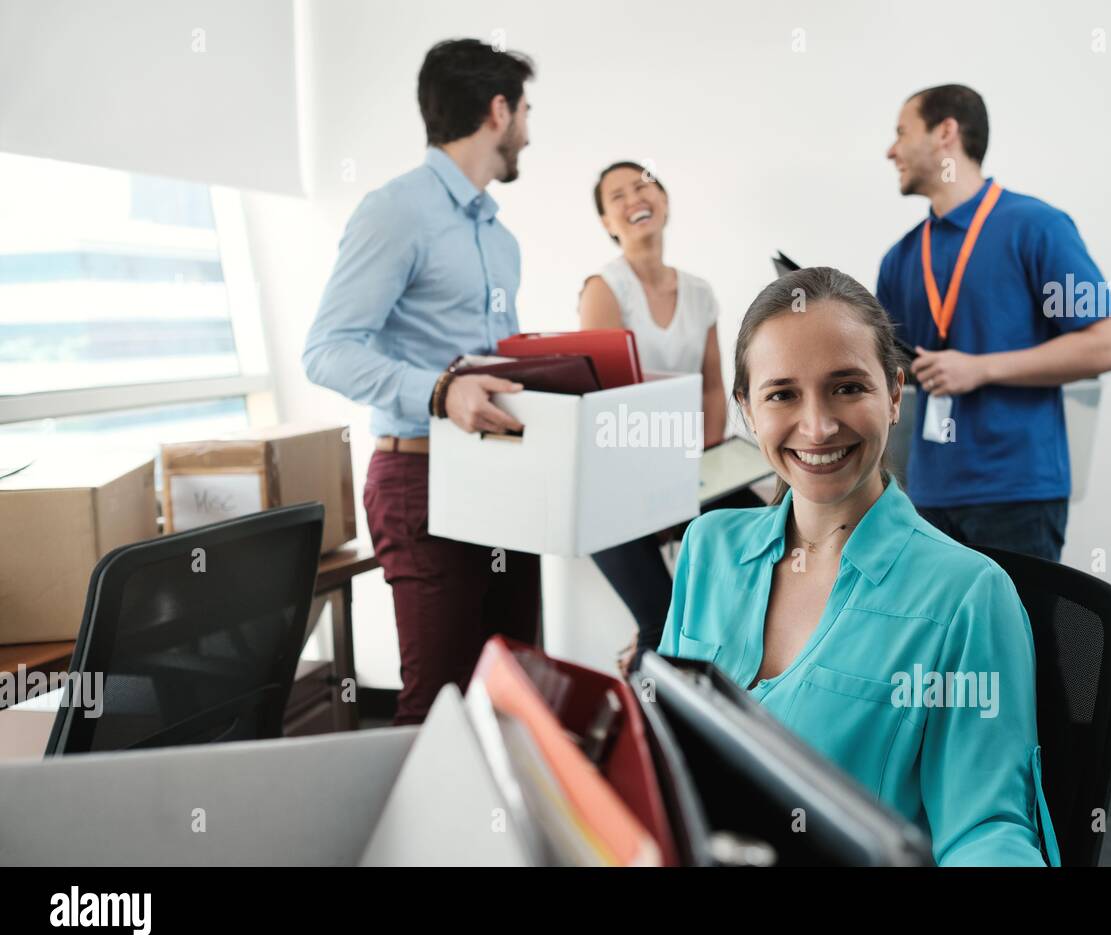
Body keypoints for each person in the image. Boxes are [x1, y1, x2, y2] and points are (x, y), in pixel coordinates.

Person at [658, 266, 1060, 866]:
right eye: (782, 394)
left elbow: (986, 830)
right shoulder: (708, 546)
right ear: (747, 408)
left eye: (847, 387)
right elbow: (664, 751)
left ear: (894, 394)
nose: (818, 427)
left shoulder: (968, 595)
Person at [303, 38, 538, 725]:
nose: (529, 132)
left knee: (516, 692)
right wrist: (441, 390)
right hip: (421, 482)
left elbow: (483, 363)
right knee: (438, 707)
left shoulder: (500, 239)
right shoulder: (396, 211)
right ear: (499, 111)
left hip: (504, 481)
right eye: (526, 112)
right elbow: (326, 351)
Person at [877, 84, 1111, 562]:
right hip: (924, 498)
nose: (891, 151)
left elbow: (1106, 344)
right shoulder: (900, 257)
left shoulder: (1039, 227)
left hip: (1016, 498)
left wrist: (980, 368)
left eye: (902, 133)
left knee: (1019, 617)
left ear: (945, 132)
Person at [577, 160, 761, 675]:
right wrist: (657, 496)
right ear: (607, 222)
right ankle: (642, 706)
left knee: (765, 531)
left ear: (664, 200)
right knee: (659, 628)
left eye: (644, 185)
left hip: (685, 471)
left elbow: (712, 386)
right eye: (617, 195)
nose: (634, 197)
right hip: (613, 487)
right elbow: (605, 409)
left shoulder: (699, 293)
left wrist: (703, 474)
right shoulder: (604, 289)